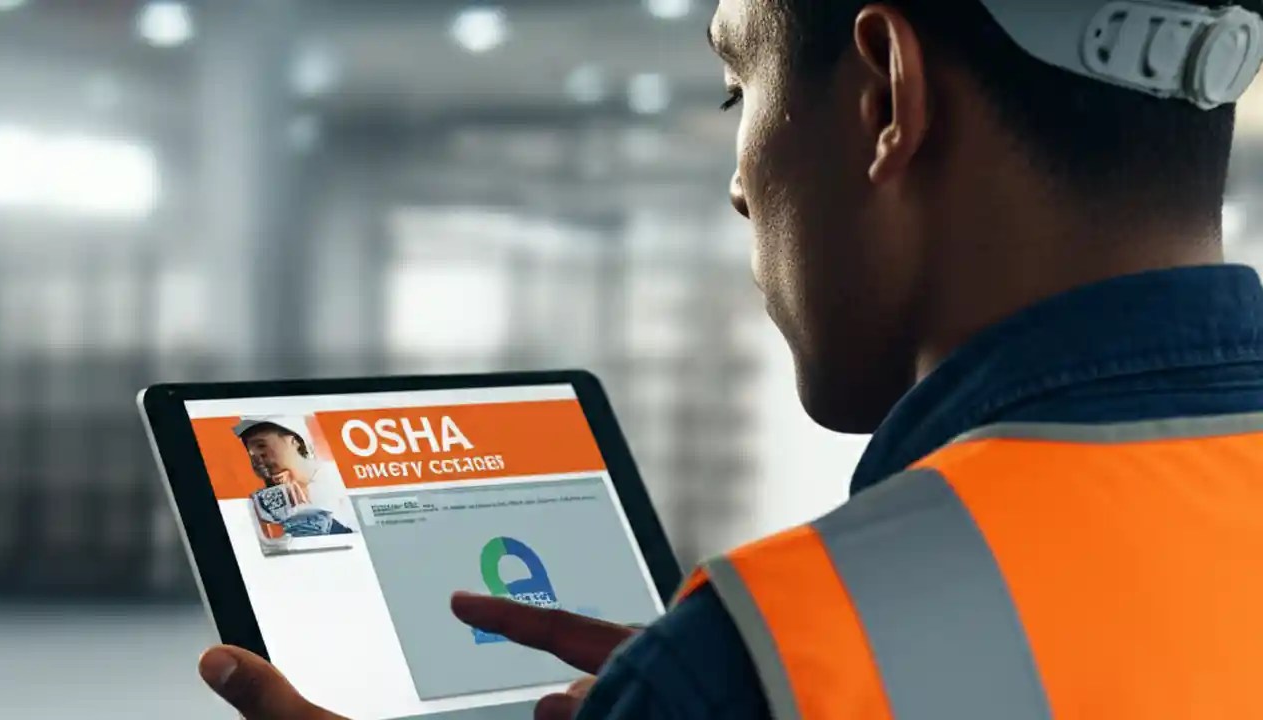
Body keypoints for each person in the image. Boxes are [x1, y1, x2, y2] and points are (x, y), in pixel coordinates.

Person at [198, 0, 1263, 717]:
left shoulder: (782, 654)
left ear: (884, 100)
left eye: (735, 89)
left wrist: (712, 683)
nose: (738, 185)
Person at [234, 418, 358, 537]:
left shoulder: (341, 480)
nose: (254, 455)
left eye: (261, 445)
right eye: (249, 451)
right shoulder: (262, 503)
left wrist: (327, 529)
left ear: (294, 441)